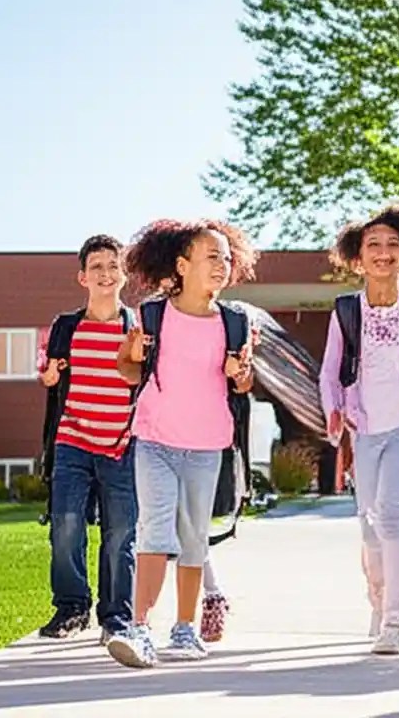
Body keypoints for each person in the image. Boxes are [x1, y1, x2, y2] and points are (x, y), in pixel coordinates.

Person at [105, 219, 258, 668]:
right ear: (182, 264)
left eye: (227, 258)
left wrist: (240, 375)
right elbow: (129, 370)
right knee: (155, 529)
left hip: (207, 443)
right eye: (211, 256)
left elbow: (243, 382)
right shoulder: (154, 314)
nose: (221, 265)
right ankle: (138, 628)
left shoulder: (234, 321)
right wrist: (131, 353)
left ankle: (185, 629)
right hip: (155, 438)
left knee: (194, 539)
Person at [318, 199, 399, 655]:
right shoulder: (345, 310)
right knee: (368, 524)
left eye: (393, 244)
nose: (383, 252)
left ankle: (395, 618)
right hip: (363, 428)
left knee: (392, 514)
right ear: (359, 256)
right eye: (373, 244)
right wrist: (333, 408)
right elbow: (330, 370)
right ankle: (378, 601)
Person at [37, 234, 138, 644]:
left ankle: (116, 617)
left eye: (113, 266)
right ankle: (71, 607)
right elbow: (49, 376)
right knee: (65, 523)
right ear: (82, 277)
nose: (105, 273)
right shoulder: (66, 327)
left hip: (121, 443)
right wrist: (49, 377)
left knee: (120, 533)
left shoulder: (138, 328)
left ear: (124, 274)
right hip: (73, 439)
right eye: (96, 267)